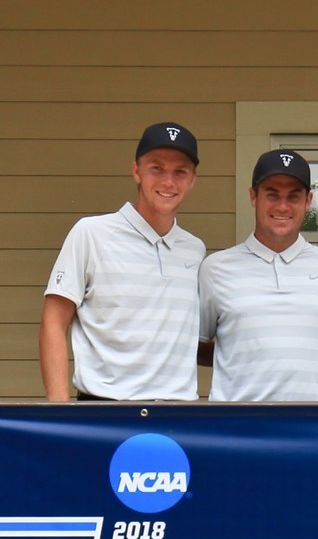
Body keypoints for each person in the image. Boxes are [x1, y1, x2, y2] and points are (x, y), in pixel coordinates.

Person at [39, 122, 205, 402]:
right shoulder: (91, 233)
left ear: (192, 180)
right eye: (157, 168)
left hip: (177, 413)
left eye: (180, 172)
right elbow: (53, 321)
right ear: (136, 171)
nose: (168, 182)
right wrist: (60, 410)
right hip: (104, 410)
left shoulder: (194, 250)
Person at [199, 149, 318, 401]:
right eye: (272, 194)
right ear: (253, 196)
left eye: (293, 196)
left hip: (315, 420)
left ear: (308, 201)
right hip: (237, 421)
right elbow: (195, 344)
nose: (282, 206)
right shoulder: (216, 268)